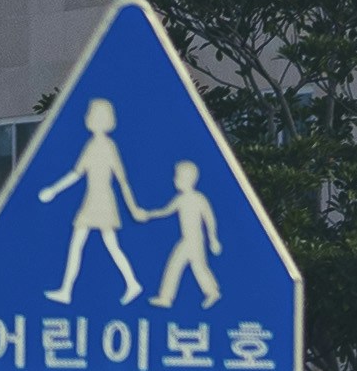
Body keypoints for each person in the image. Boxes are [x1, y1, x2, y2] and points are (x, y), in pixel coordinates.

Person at [32, 98, 146, 302]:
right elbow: (77, 174)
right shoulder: (92, 145)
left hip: (102, 201)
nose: (87, 118)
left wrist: (133, 208)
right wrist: (53, 190)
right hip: (92, 199)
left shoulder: (106, 146)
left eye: (92, 115)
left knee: (104, 245)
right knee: (82, 244)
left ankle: (131, 283)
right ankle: (68, 290)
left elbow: (122, 180)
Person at [155, 160, 225, 309]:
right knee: (176, 265)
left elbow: (210, 219)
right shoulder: (180, 199)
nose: (175, 180)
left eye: (178, 177)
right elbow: (165, 211)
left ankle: (212, 292)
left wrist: (213, 239)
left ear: (188, 180)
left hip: (195, 240)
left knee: (198, 266)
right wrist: (147, 214)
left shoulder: (199, 199)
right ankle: (166, 298)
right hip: (186, 240)